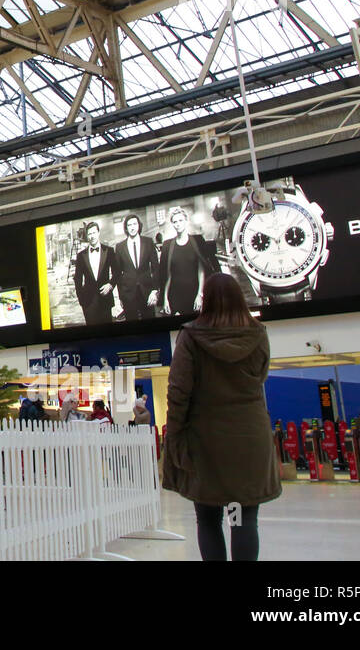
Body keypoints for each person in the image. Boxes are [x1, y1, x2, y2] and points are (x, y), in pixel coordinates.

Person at [163, 272, 280, 561]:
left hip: (207, 441)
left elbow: (179, 393)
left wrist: (174, 438)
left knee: (209, 518)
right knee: (242, 519)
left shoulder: (191, 336)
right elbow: (259, 379)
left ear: (206, 300)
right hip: (250, 439)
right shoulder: (258, 333)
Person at [157, 206, 219, 316]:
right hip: (175, 296)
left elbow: (201, 271)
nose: (178, 224)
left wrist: (200, 294)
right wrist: (165, 299)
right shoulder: (167, 245)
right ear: (172, 224)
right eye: (175, 222)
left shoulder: (197, 240)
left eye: (180, 220)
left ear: (186, 221)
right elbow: (167, 275)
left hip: (195, 294)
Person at [114, 214, 159, 321]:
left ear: (139, 225)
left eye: (134, 224)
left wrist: (154, 290)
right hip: (128, 294)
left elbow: (156, 268)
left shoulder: (148, 242)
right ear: (126, 228)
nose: (132, 227)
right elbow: (117, 273)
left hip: (147, 293)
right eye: (129, 225)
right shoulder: (120, 247)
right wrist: (121, 296)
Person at [73, 221, 116, 325]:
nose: (92, 236)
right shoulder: (81, 256)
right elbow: (77, 279)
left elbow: (117, 272)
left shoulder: (109, 251)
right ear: (87, 236)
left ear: (98, 233)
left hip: (105, 300)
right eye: (89, 234)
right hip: (88, 302)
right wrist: (81, 300)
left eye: (94, 233)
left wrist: (110, 285)